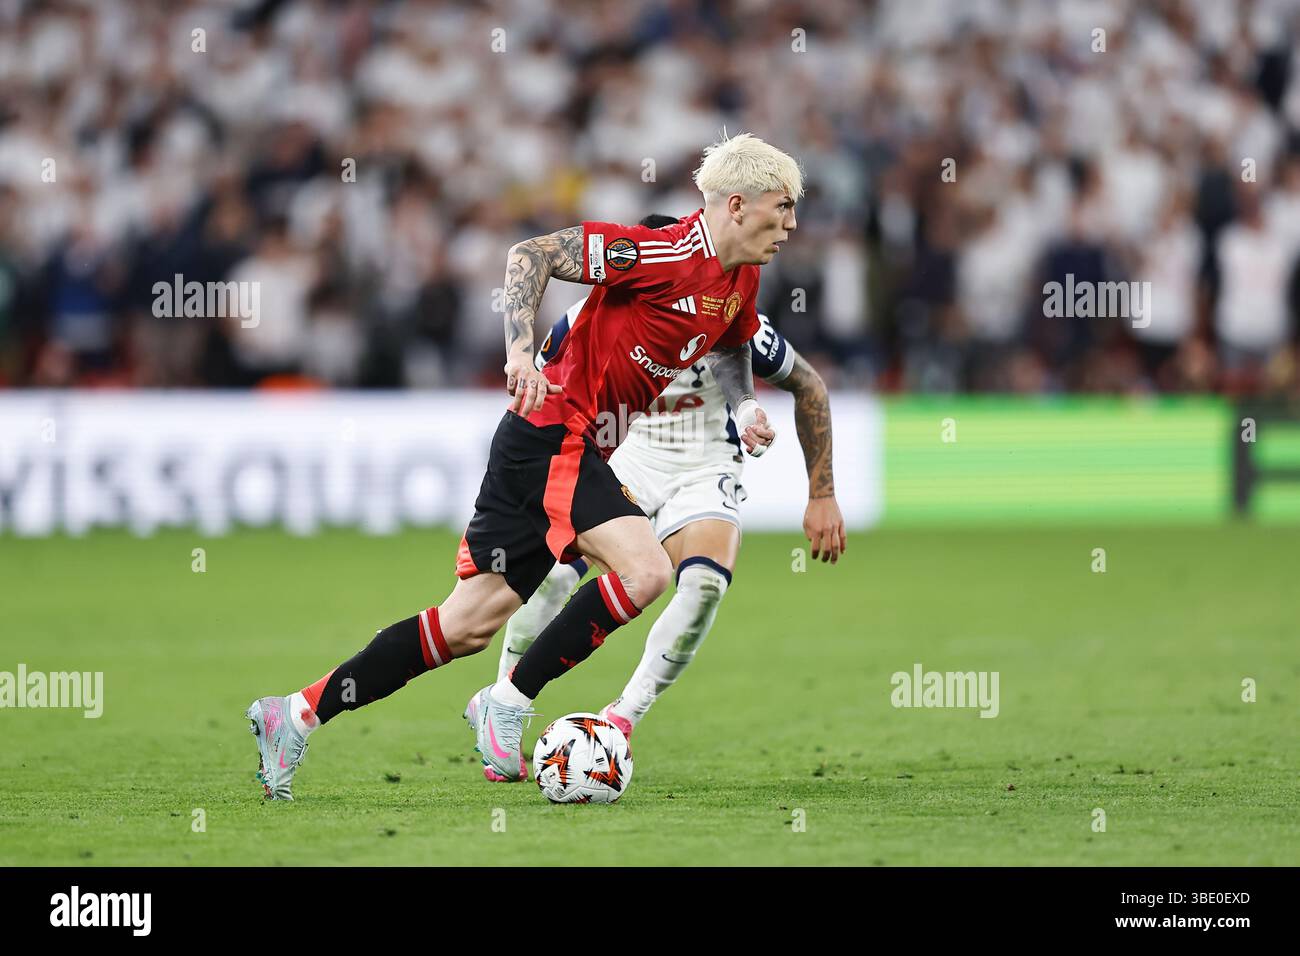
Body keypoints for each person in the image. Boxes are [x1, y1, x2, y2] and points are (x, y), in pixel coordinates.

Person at [245, 132, 802, 796]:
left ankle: (296, 714)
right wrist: (517, 351)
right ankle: (507, 702)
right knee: (648, 569)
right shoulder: (655, 252)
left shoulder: (742, 277)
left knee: (464, 627)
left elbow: (734, 347)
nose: (792, 224)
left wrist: (742, 412)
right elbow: (528, 255)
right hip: (551, 432)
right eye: (783, 207)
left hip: (561, 447)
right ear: (737, 205)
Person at [475, 215, 845, 781]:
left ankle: (621, 719)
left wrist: (821, 492)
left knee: (701, 586)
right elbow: (551, 397)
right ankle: (503, 700)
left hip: (704, 465)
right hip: (623, 455)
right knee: (553, 575)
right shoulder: (585, 320)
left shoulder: (730, 318)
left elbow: (810, 385)